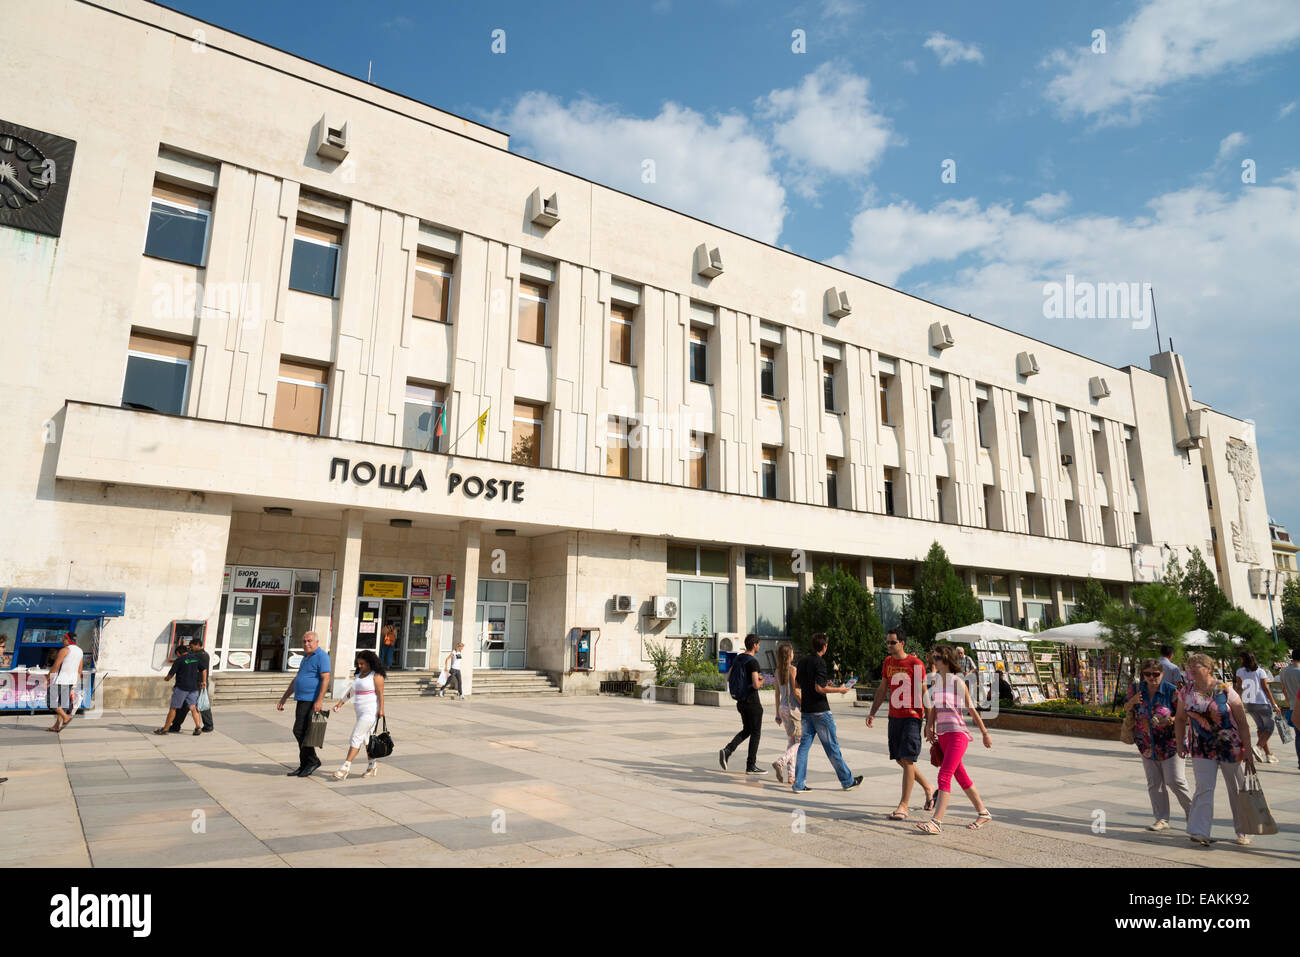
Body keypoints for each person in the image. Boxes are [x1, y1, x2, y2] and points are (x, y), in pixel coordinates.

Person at [1174, 652, 1256, 846]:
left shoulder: (1225, 689)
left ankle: (1243, 830)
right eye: (1189, 666)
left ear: (1209, 668)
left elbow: (1242, 721)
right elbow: (1179, 718)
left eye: (1197, 666)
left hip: (1230, 746)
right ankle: (1199, 831)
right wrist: (1180, 743)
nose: (1192, 669)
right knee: (1204, 788)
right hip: (1201, 747)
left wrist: (1249, 748)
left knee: (1236, 788)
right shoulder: (1186, 692)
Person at [915, 646, 992, 833]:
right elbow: (933, 708)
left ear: (947, 659)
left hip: (958, 735)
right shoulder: (937, 682)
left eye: (938, 657)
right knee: (961, 777)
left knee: (944, 775)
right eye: (933, 657)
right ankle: (983, 813)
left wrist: (984, 733)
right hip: (943, 736)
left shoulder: (958, 682)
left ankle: (936, 822)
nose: (935, 660)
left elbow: (971, 709)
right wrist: (929, 727)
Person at [868, 629, 935, 819]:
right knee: (900, 758)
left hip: (912, 717)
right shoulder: (887, 662)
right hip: (894, 716)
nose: (889, 646)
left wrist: (929, 722)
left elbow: (924, 693)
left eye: (892, 642)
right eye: (888, 642)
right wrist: (872, 712)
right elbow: (882, 689)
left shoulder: (915, 664)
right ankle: (929, 787)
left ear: (902, 643)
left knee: (907, 759)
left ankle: (903, 806)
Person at [1124, 657, 1192, 832]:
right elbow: (1126, 708)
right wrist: (1131, 702)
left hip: (1170, 742)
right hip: (1146, 743)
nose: (1152, 677)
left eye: (1156, 674)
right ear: (1143, 675)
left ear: (1162, 674)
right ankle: (1161, 818)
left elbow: (1185, 716)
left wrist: (1171, 720)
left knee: (1175, 780)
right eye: (1147, 674)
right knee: (1154, 783)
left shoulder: (1172, 691)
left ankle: (1193, 813)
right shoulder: (1136, 689)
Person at [791, 633, 861, 792]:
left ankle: (799, 784)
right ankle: (847, 781)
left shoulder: (802, 662)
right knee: (832, 748)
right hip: (821, 711)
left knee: (803, 748)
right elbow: (819, 688)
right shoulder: (820, 662)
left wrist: (820, 684)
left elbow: (797, 684)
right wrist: (840, 689)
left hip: (807, 711)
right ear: (824, 647)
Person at [277, 631, 332, 777]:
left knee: (302, 731)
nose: (306, 644)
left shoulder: (322, 656)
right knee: (300, 731)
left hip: (311, 700)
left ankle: (312, 761)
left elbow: (326, 678)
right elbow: (297, 679)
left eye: (309, 641)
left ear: (316, 642)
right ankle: (304, 764)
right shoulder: (305, 658)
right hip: (301, 699)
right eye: (304, 641)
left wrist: (319, 700)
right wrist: (284, 698)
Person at [331, 650, 386, 779]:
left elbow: (380, 694)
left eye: (362, 663)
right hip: (359, 712)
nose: (360, 666)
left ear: (370, 662)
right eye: (358, 663)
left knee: (356, 736)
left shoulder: (376, 675)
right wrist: (340, 703)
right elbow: (352, 691)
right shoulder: (359, 674)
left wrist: (381, 710)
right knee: (367, 739)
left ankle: (345, 768)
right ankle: (372, 765)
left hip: (371, 712)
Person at [719, 634, 766, 774]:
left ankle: (728, 750)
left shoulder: (739, 658)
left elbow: (728, 678)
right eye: (758, 644)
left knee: (747, 730)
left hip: (741, 702)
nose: (759, 646)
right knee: (756, 733)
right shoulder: (753, 662)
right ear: (755, 645)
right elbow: (756, 685)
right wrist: (762, 680)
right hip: (752, 702)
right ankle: (751, 766)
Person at [1234, 651, 1280, 764]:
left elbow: (1239, 688)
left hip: (1249, 703)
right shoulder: (1260, 671)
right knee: (1269, 728)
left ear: (1244, 659)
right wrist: (1274, 704)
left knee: (1261, 728)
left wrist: (1235, 701)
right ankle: (1258, 747)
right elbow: (1265, 688)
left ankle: (1268, 754)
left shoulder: (1240, 671)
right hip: (1262, 702)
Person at [155, 637, 207, 737]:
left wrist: (166, 679)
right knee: (193, 708)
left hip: (182, 688)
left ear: (178, 653)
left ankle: (165, 729)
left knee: (173, 708)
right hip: (193, 688)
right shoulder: (195, 658)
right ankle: (197, 727)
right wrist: (204, 681)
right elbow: (204, 669)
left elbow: (170, 675)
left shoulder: (179, 660)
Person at [770, 641, 802, 782]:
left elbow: (777, 694)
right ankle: (781, 761)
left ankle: (791, 775)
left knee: (791, 741)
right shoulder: (793, 670)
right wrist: (804, 704)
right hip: (793, 709)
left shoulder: (777, 671)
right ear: (789, 655)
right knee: (801, 741)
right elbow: (795, 691)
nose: (794, 654)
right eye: (792, 652)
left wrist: (777, 714)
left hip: (782, 709)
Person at [45, 633, 84, 733]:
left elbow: (56, 665)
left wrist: (48, 677)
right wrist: (75, 682)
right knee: (62, 704)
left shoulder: (65, 650)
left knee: (51, 701)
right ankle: (56, 726)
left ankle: (66, 717)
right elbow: (80, 669)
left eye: (64, 638)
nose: (62, 640)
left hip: (60, 680)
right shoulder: (80, 651)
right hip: (71, 681)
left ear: (68, 639)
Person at [1279, 650, 1300, 770]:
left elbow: (1283, 688)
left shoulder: (1284, 671)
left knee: (1298, 736)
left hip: (1292, 707)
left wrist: (1289, 700)